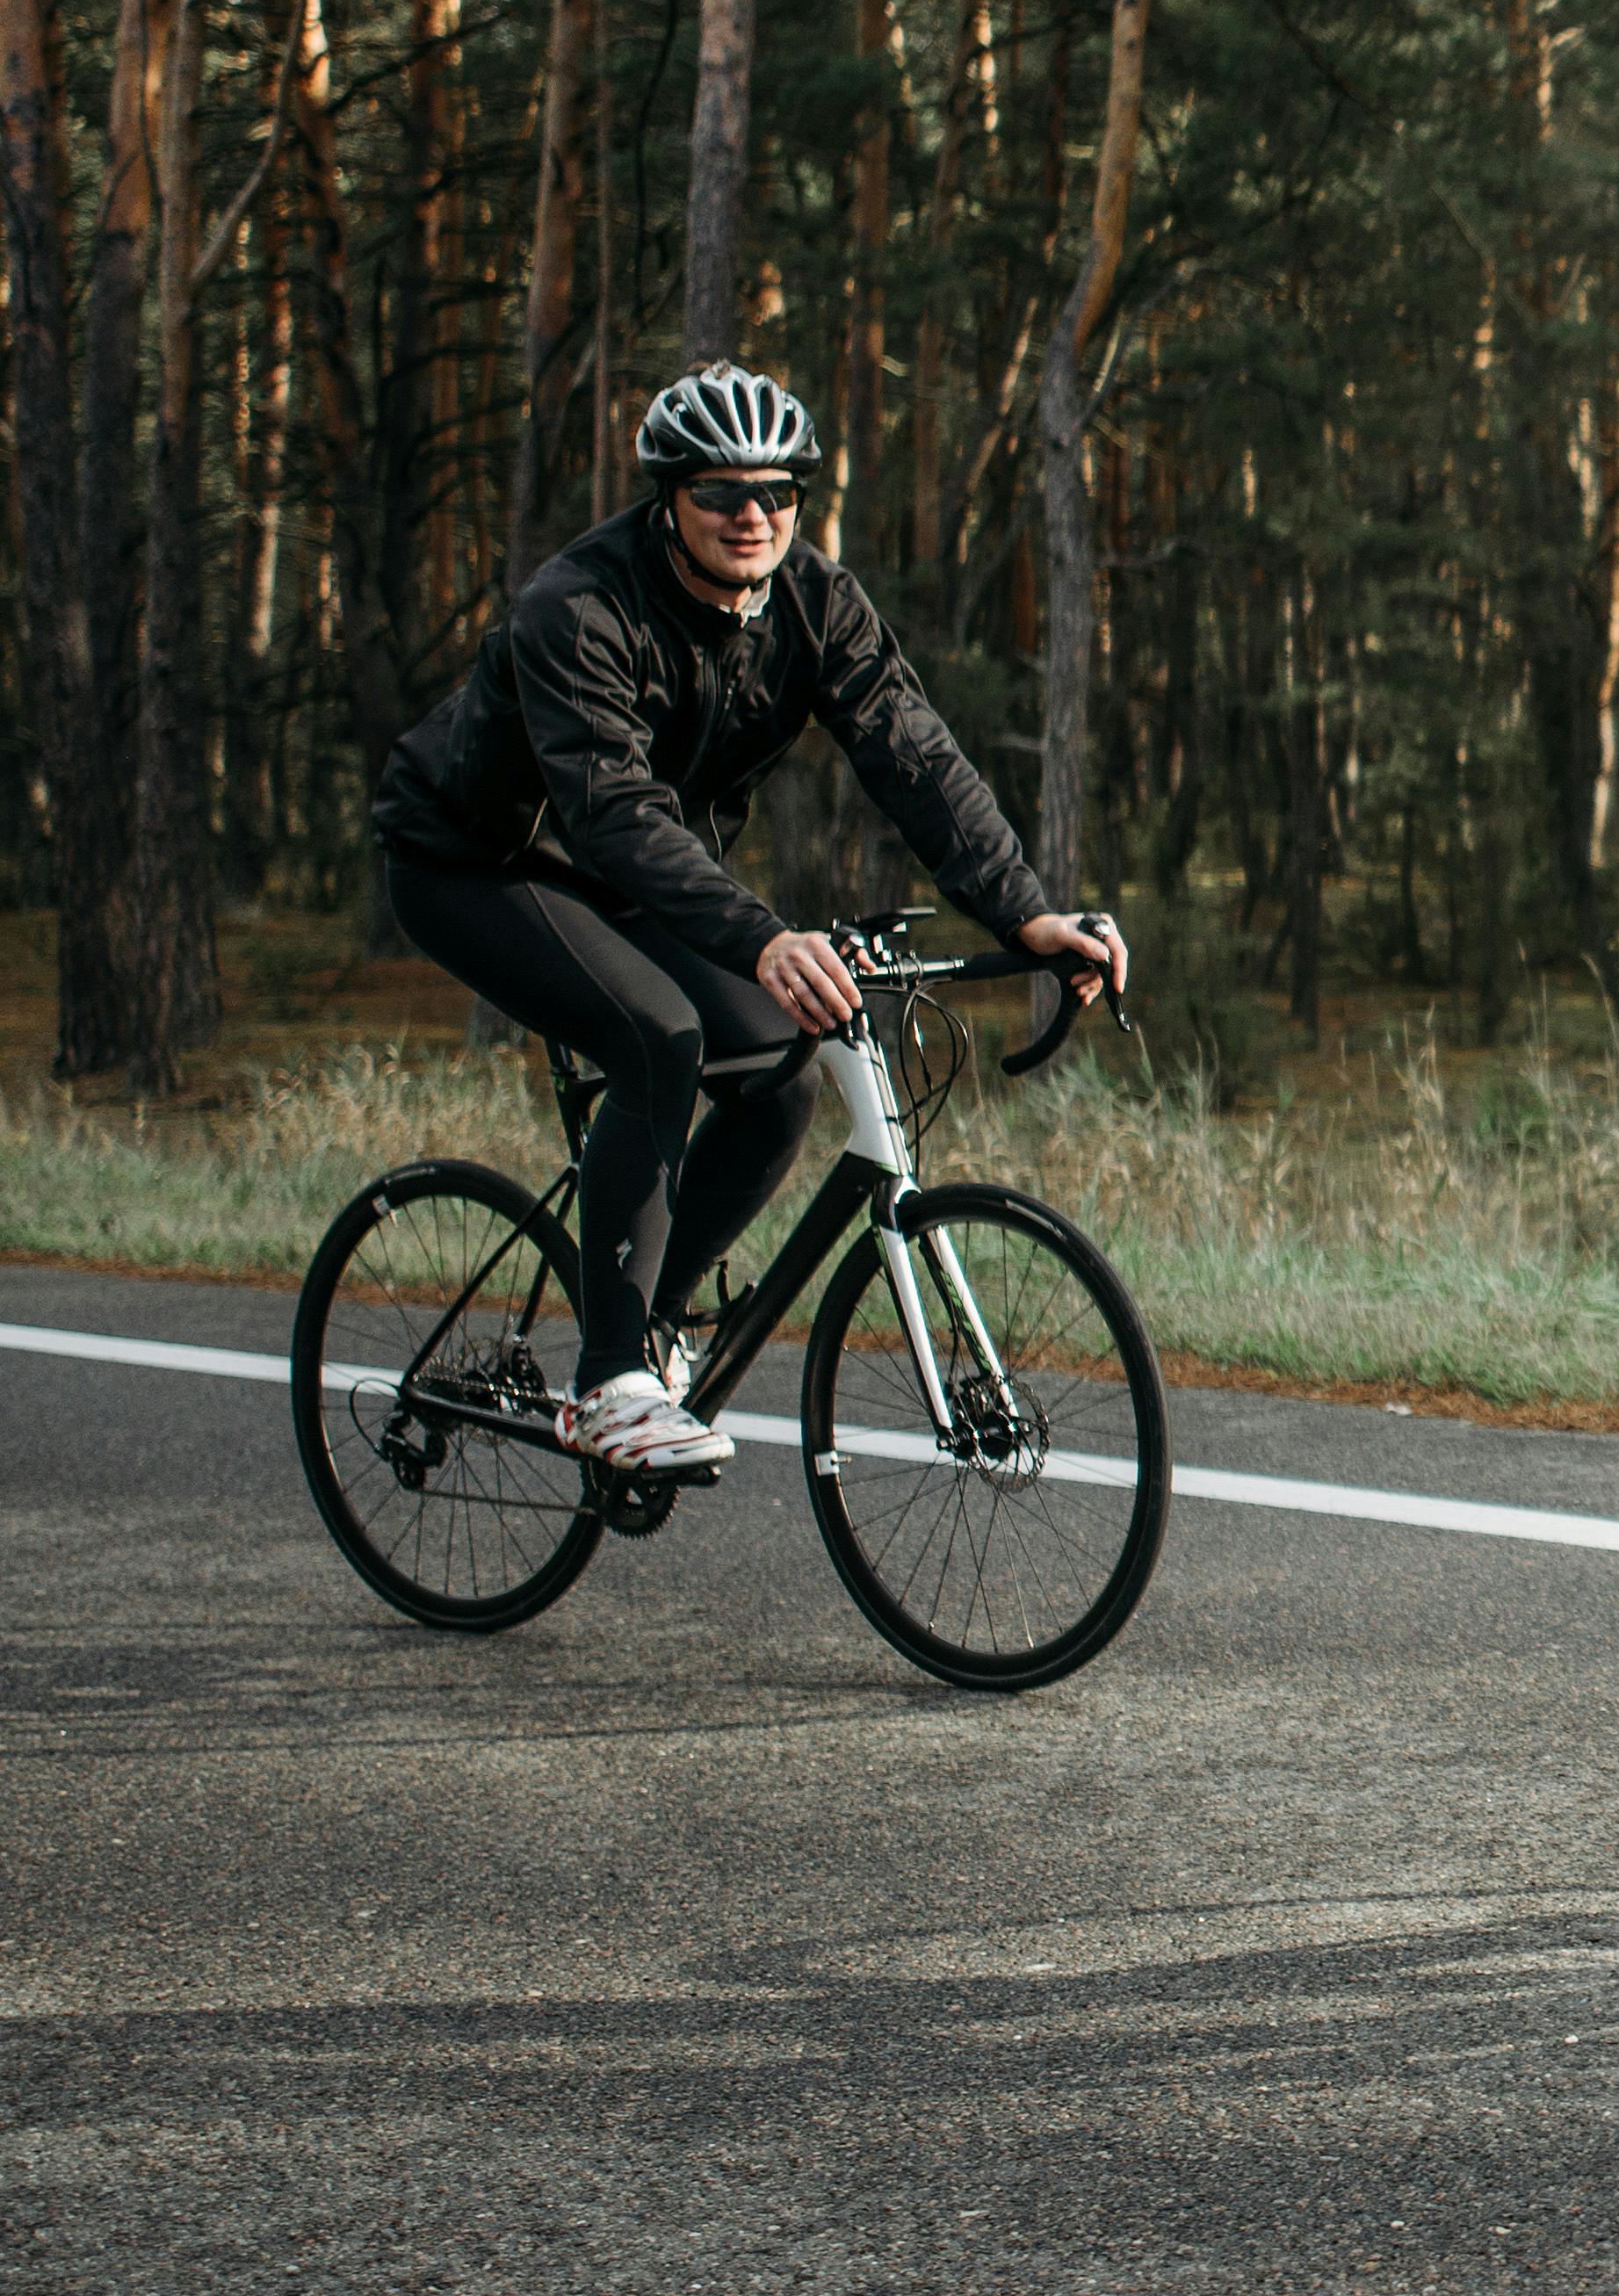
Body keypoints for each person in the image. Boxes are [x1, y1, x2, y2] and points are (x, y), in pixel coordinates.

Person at [373, 364, 1124, 1474]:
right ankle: (609, 1386)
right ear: (668, 498)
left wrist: (1024, 916)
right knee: (658, 1036)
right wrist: (765, 938)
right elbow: (614, 814)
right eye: (722, 491)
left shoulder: (815, 603)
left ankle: (644, 1324)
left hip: (625, 873)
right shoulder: (577, 607)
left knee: (780, 1068)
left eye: (778, 491)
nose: (753, 515)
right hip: (475, 862)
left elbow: (914, 758)